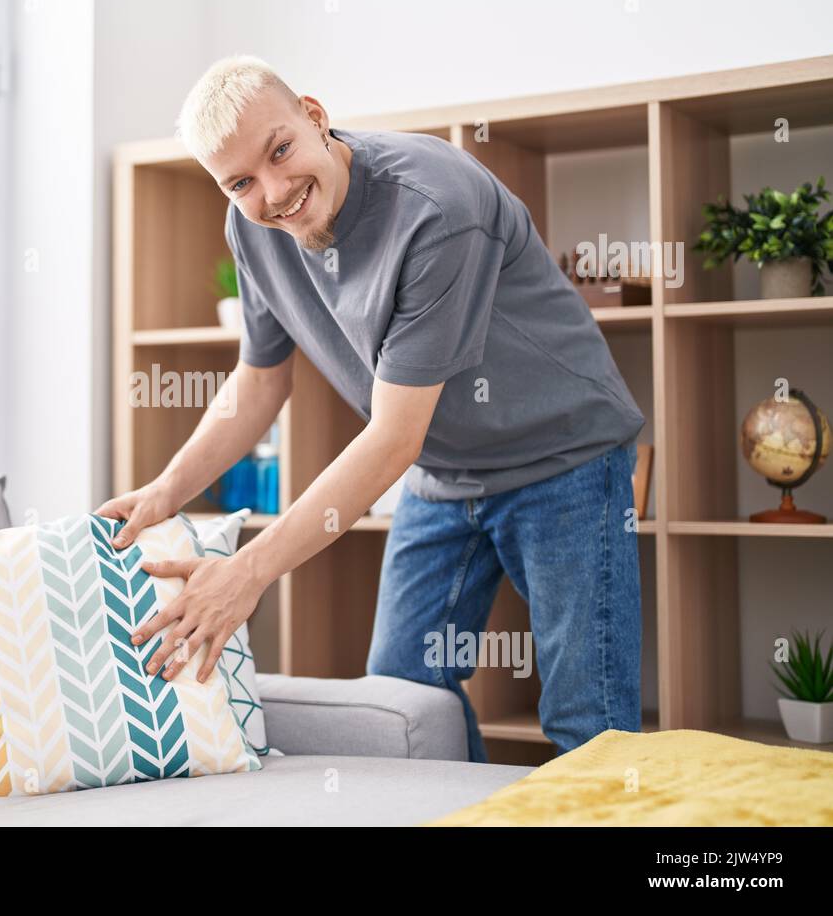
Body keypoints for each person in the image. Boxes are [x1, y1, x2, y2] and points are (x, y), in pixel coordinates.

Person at [96, 55, 646, 762]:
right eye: (241, 183)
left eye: (281, 150)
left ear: (316, 118)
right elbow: (260, 381)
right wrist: (166, 491)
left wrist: (247, 573)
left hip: (563, 459)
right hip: (443, 476)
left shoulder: (435, 208)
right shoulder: (253, 231)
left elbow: (392, 438)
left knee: (586, 722)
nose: (274, 192)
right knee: (402, 701)